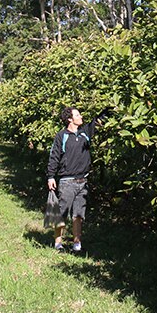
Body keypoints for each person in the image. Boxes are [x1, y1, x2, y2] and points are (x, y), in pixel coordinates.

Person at [46, 106, 103, 252]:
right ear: (70, 119)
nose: (80, 116)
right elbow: (54, 156)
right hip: (67, 182)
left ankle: (77, 244)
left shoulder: (85, 133)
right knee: (62, 213)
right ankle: (58, 243)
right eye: (77, 115)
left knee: (78, 214)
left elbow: (96, 121)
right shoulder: (62, 136)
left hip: (83, 181)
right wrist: (51, 176)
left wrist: (106, 112)